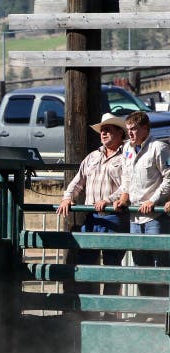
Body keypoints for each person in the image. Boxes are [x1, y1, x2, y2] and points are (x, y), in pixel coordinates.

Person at [57, 113, 129, 298]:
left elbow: (128, 185)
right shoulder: (92, 157)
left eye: (108, 130)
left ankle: (110, 309)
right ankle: (87, 306)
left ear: (120, 133)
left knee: (112, 264)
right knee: (87, 261)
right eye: (102, 130)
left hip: (115, 217)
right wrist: (67, 197)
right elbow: (78, 181)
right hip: (92, 216)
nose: (104, 133)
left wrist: (110, 200)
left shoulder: (127, 157)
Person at [113, 111, 170, 300]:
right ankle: (146, 307)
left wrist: (153, 201)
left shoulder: (158, 147)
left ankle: (162, 310)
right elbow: (127, 179)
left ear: (146, 128)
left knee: (160, 262)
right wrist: (123, 197)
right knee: (139, 262)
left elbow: (168, 178)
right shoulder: (128, 150)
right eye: (128, 129)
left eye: (134, 129)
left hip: (156, 215)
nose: (130, 133)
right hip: (135, 215)